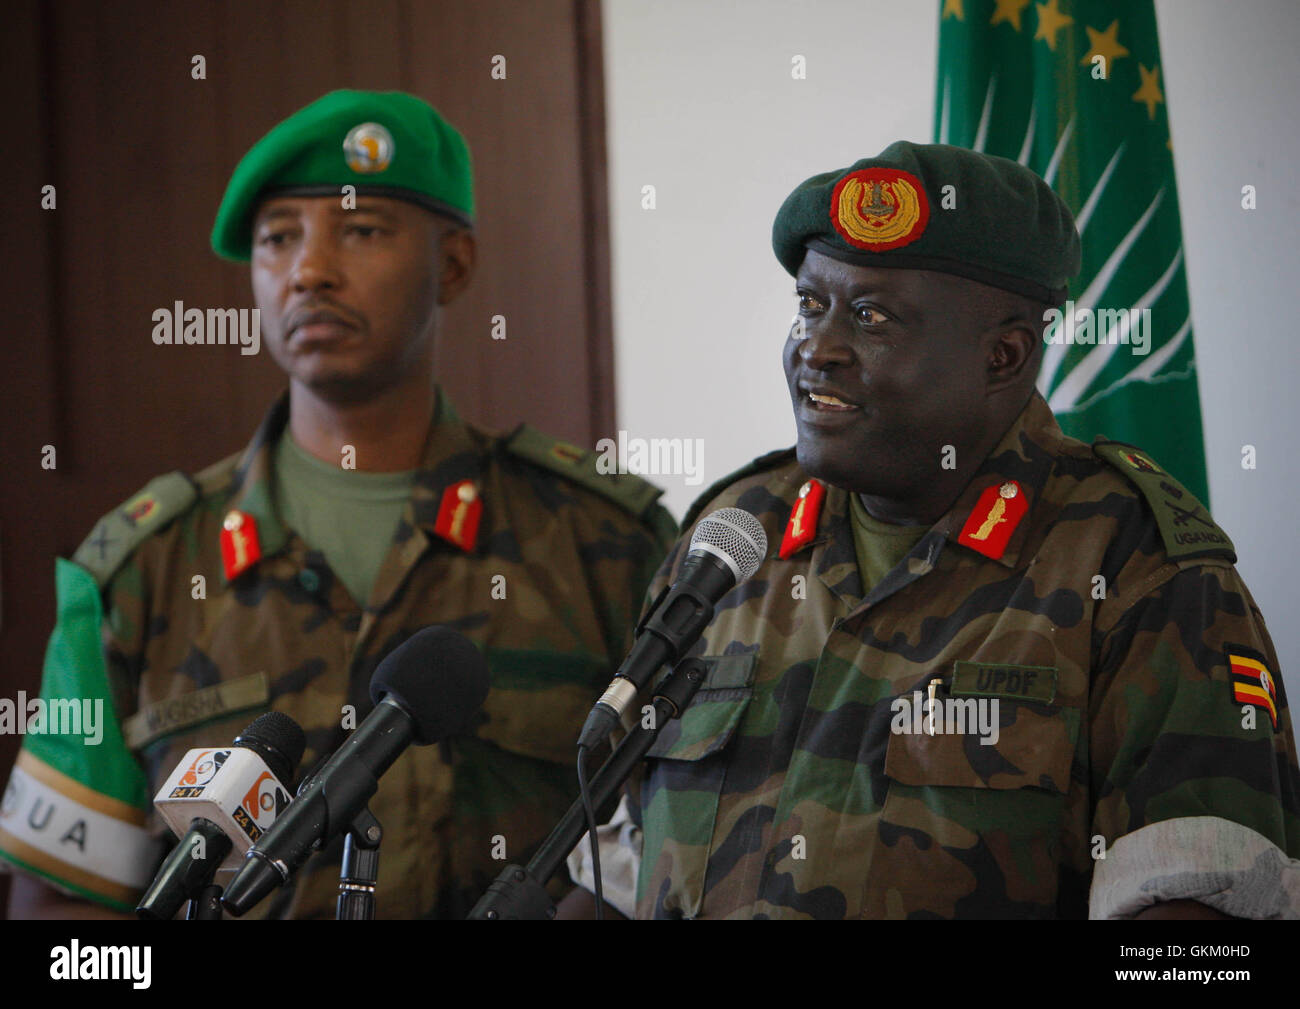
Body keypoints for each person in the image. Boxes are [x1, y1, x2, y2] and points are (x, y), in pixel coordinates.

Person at [562, 141, 1300, 920]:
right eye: (811, 306)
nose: (818, 348)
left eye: (872, 316)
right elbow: (615, 877)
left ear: (1004, 355)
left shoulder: (1138, 569)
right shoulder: (734, 537)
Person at [0, 90, 675, 919]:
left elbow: (678, 851)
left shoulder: (605, 542)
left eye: (361, 231)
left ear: (454, 264)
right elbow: (60, 909)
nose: (309, 270)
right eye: (278, 238)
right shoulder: (141, 567)